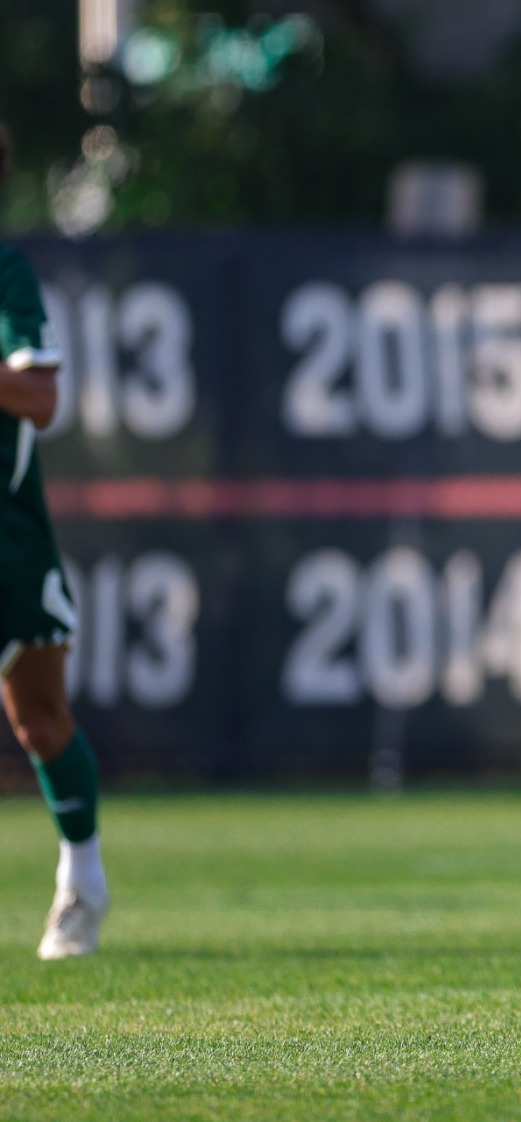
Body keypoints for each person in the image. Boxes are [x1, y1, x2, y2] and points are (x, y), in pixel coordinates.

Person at [0, 122, 109, 959]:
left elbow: (39, 396)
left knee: (39, 718)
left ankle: (83, 880)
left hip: (7, 538)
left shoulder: (6, 273)